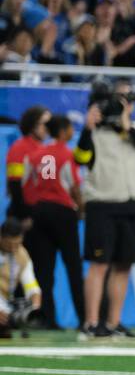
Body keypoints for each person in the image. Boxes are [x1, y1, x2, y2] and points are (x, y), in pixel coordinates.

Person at [76, 79, 135, 339]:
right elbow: (80, 159)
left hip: (133, 202)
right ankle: (91, 322)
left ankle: (114, 323)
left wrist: (126, 126)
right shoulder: (95, 131)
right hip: (102, 202)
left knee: (124, 264)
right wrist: (86, 128)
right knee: (99, 264)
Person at [22, 114, 83, 329]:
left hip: (40, 212)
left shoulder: (36, 154)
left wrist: (32, 209)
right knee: (73, 266)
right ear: (64, 130)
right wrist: (81, 208)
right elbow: (74, 186)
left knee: (44, 269)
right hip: (63, 212)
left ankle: (47, 318)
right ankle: (85, 318)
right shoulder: (67, 154)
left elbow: (26, 183)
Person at [5, 104, 48, 223]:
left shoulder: (45, 149)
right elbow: (14, 183)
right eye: (45, 124)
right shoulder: (19, 148)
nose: (49, 128)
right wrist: (24, 216)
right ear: (33, 125)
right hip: (24, 214)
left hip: (40, 213)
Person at [0, 217, 40, 339]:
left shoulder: (22, 254)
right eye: (9, 244)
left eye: (17, 244)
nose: (13, 249)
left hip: (5, 304)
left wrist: (34, 308)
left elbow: (31, 285)